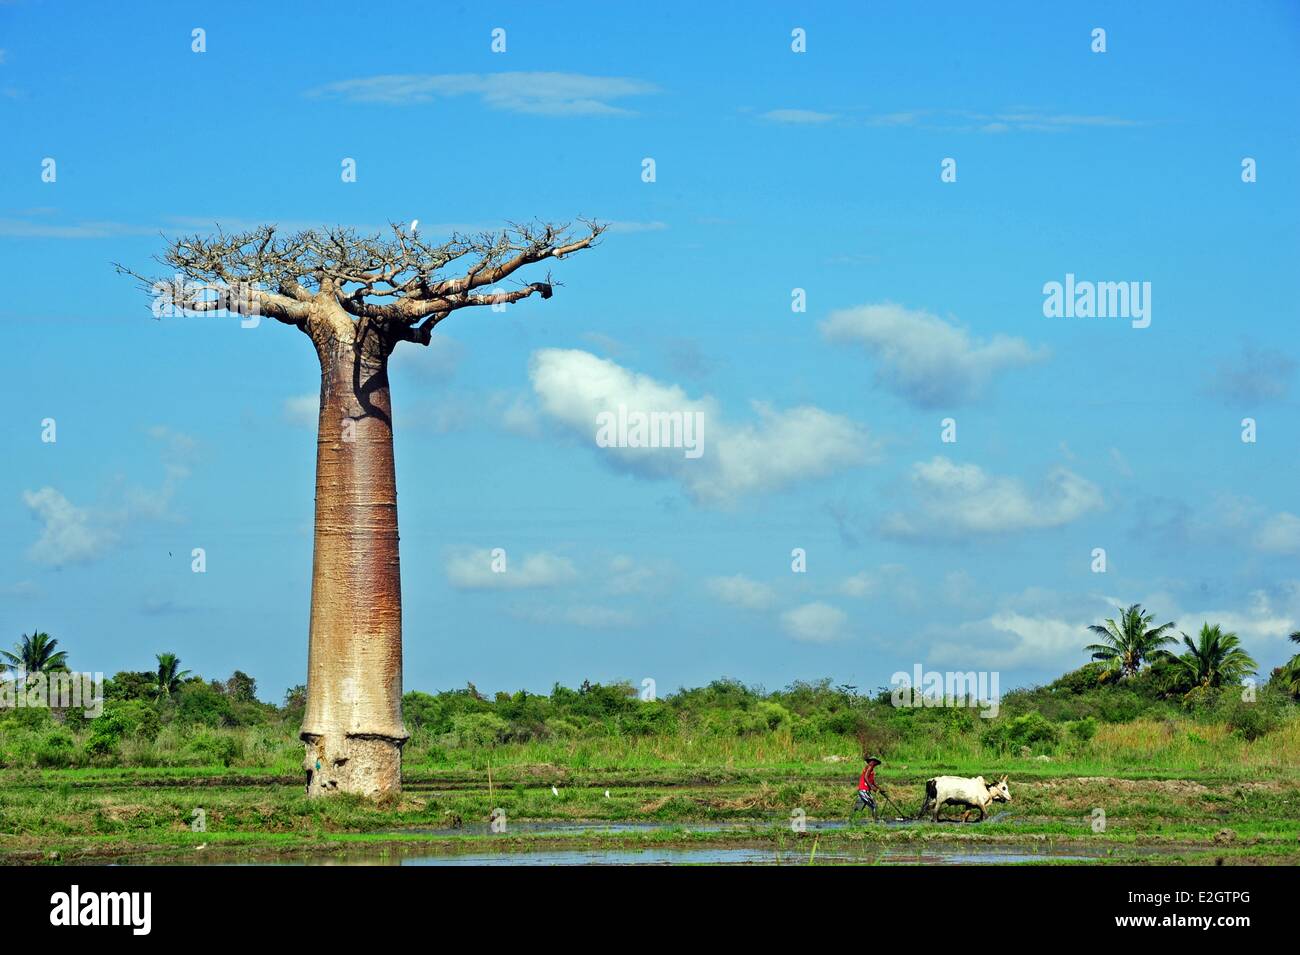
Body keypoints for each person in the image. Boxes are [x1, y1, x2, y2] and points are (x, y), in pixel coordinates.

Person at [850, 756, 883, 822]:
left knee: (858, 808)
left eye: (874, 762)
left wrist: (880, 789)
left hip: (864, 791)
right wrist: (871, 787)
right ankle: (876, 822)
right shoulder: (869, 767)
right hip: (864, 791)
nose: (873, 763)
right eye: (872, 761)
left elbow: (872, 782)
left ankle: (852, 821)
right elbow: (865, 777)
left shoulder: (871, 770)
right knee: (874, 805)